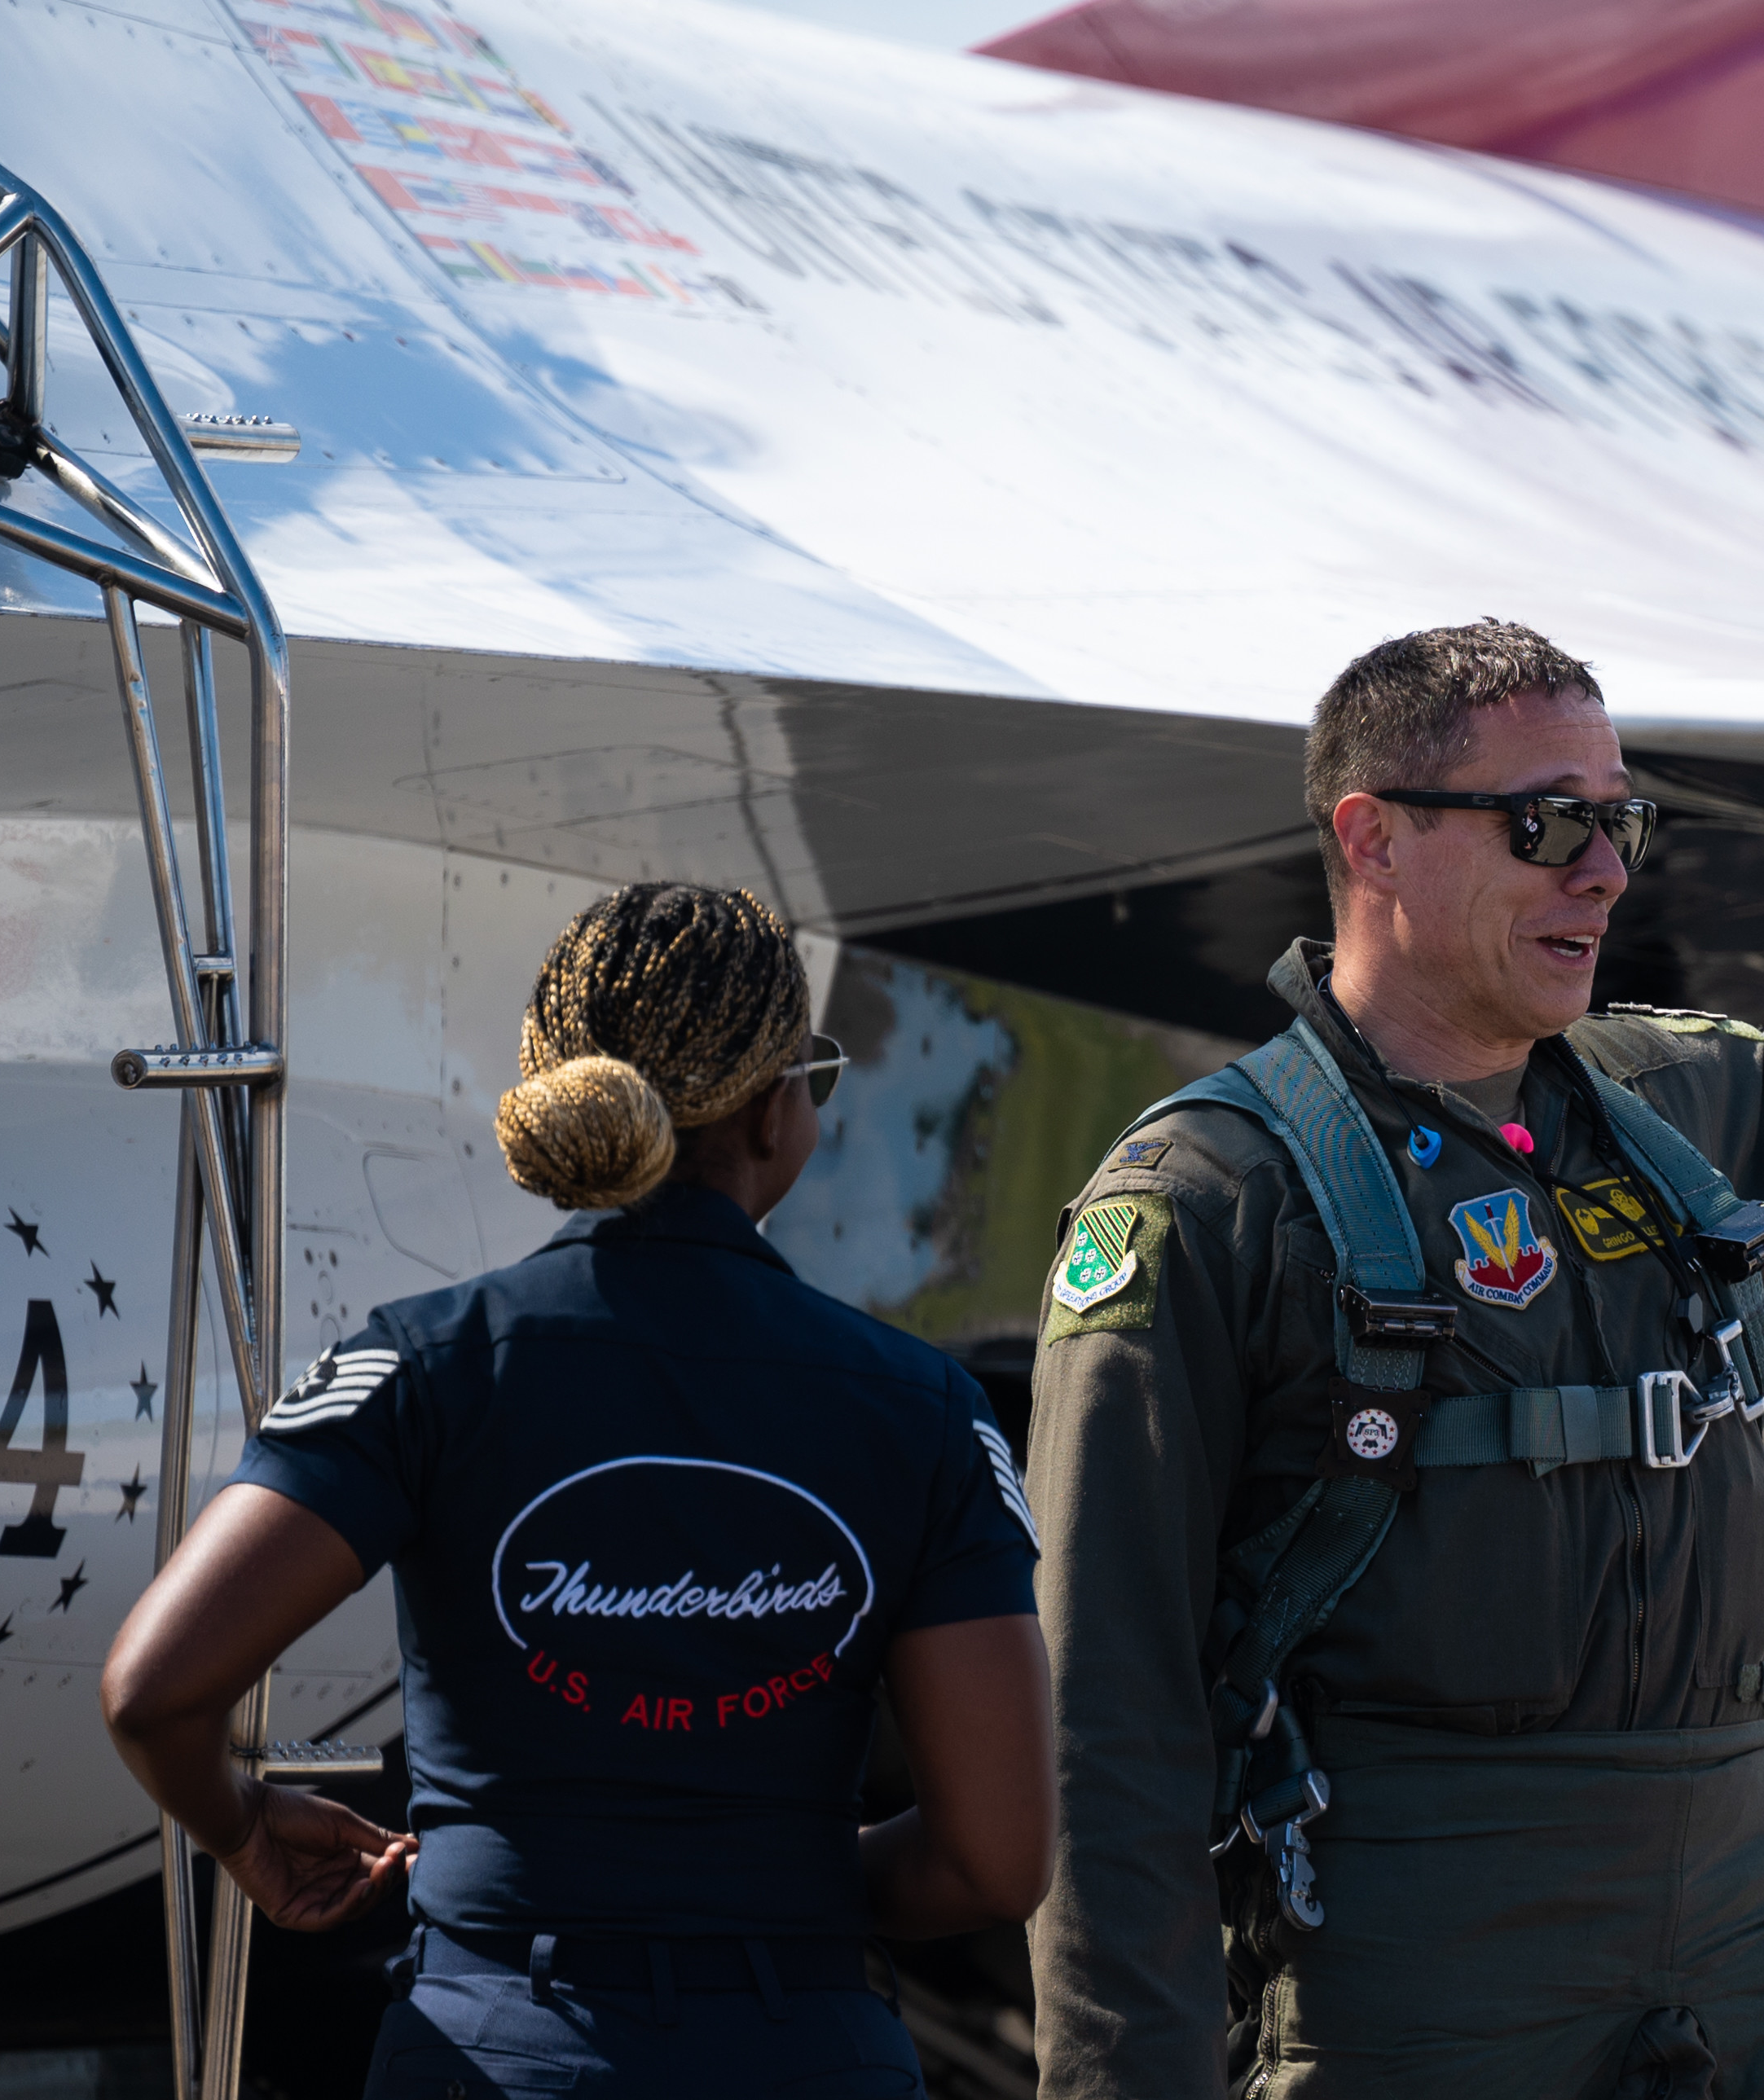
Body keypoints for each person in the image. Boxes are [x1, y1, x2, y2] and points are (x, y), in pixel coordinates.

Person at [1025, 428, 1764, 2098]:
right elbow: (1105, 1730)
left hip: (1749, 1917)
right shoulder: (1208, 1202)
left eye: (1617, 820)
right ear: (1373, 839)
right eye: (1544, 823)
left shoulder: (1676, 1110)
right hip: (1425, 1945)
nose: (1601, 867)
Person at [102, 881, 1054, 2098]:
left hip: (496, 2048)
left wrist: (239, 1824)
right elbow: (995, 1860)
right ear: (776, 1112)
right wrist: (762, 1876)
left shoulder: (423, 1365)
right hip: (805, 2048)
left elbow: (153, 1691)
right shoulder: (922, 1407)